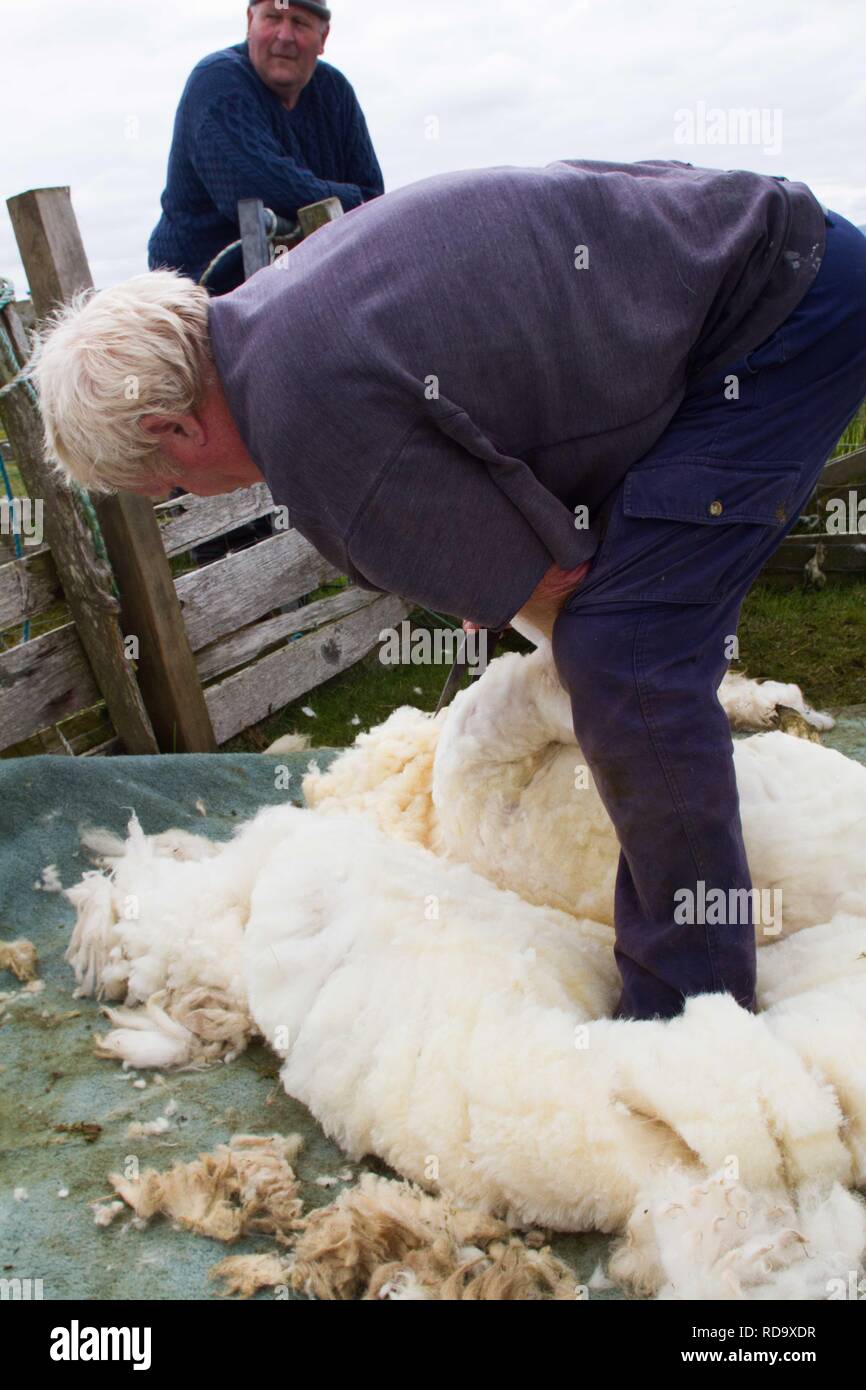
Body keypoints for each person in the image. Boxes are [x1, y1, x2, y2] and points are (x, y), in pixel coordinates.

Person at [30, 158, 866, 1021]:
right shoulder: (271, 314)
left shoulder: (307, 432)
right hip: (760, 263)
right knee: (626, 629)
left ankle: (691, 1009)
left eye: (165, 487)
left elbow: (558, 581)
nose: (190, 500)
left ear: (174, 427)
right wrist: (474, 557)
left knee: (627, 655)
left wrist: (491, 572)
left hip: (781, 323)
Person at [148, 0, 384, 294]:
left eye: (299, 22)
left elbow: (374, 203)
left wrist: (354, 201)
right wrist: (348, 198)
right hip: (201, 296)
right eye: (272, 17)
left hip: (305, 287)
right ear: (250, 23)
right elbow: (254, 190)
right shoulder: (216, 82)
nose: (284, 36)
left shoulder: (335, 92)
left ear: (323, 38)